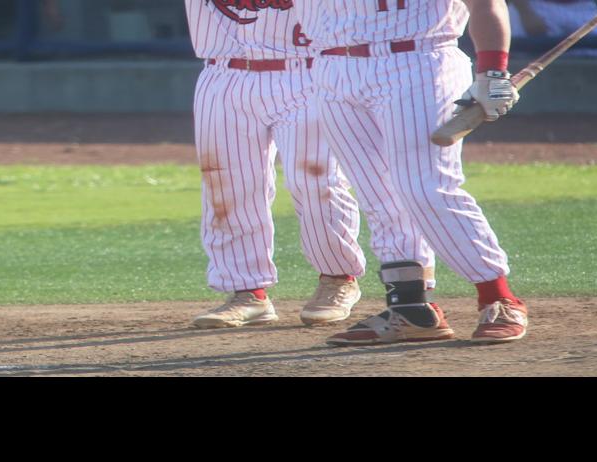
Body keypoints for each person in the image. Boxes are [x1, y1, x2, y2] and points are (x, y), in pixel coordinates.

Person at [185, 0, 435, 330]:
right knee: (225, 184)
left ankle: (337, 278)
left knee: (316, 179)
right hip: (222, 74)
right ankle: (248, 292)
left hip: (305, 71)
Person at [294, 0, 530, 345]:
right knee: (378, 195)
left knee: (425, 186)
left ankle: (498, 298)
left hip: (419, 60)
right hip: (331, 68)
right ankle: (411, 308)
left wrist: (493, 71)